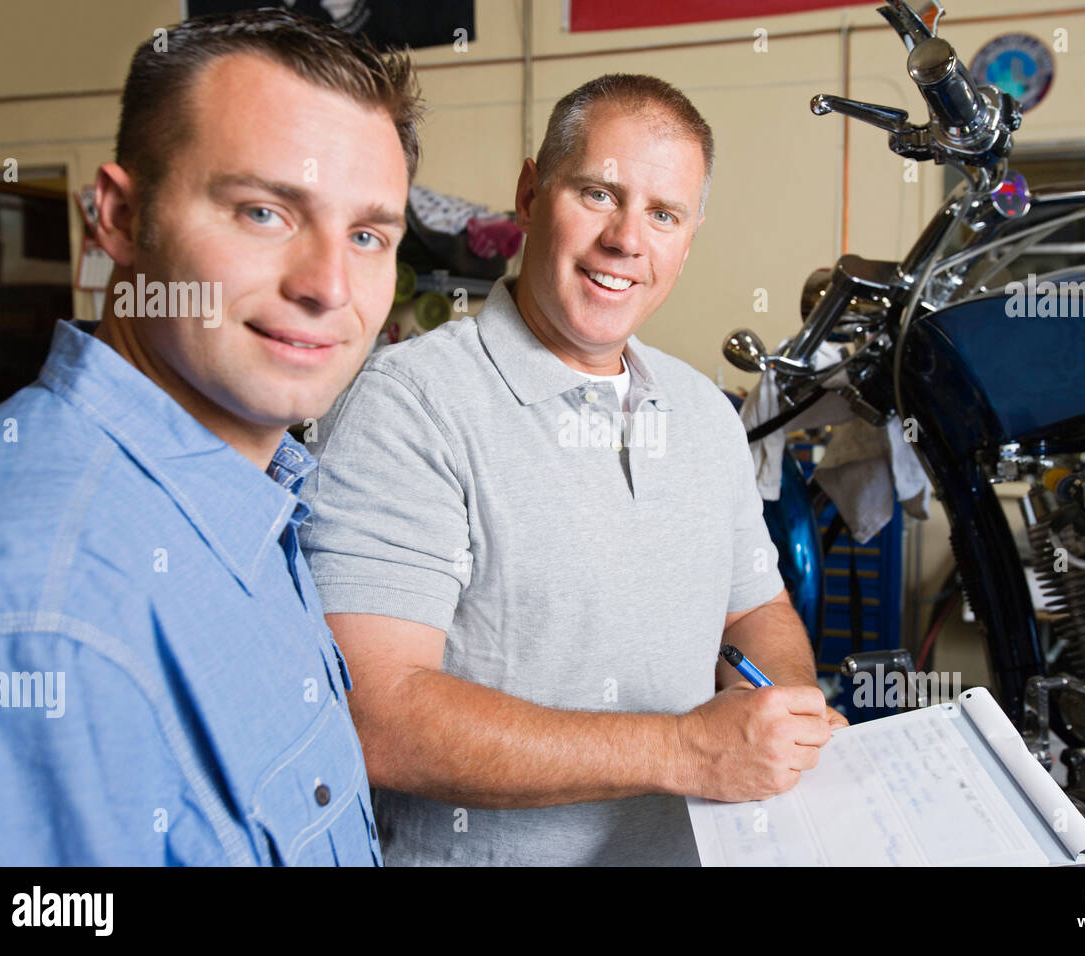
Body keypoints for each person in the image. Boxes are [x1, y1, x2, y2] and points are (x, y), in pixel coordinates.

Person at [299, 73, 846, 866]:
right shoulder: (410, 404)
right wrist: (686, 750)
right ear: (530, 192)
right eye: (598, 193)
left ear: (687, 241)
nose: (627, 239)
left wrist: (783, 708)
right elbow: (373, 712)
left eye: (663, 214)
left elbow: (753, 611)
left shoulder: (702, 414)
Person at [0, 9, 422, 865]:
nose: (328, 286)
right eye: (263, 212)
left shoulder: (249, 499)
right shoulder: (45, 604)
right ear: (119, 217)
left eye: (367, 235)